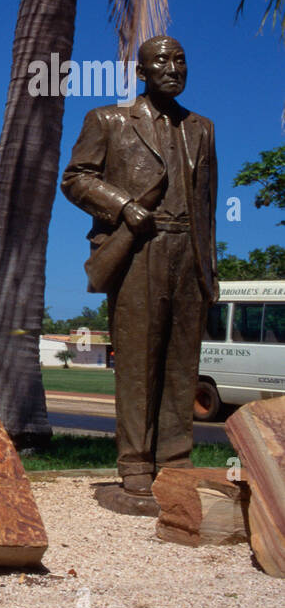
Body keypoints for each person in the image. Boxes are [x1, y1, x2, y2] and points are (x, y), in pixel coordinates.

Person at [61, 35, 217, 499]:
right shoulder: (108, 120)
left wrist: (209, 267)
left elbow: (207, 204)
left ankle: (175, 461)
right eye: (161, 61)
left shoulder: (202, 128)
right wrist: (123, 205)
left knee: (181, 364)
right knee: (138, 362)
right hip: (138, 250)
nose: (173, 68)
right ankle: (135, 464)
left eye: (181, 60)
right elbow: (75, 179)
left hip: (187, 252)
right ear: (141, 73)